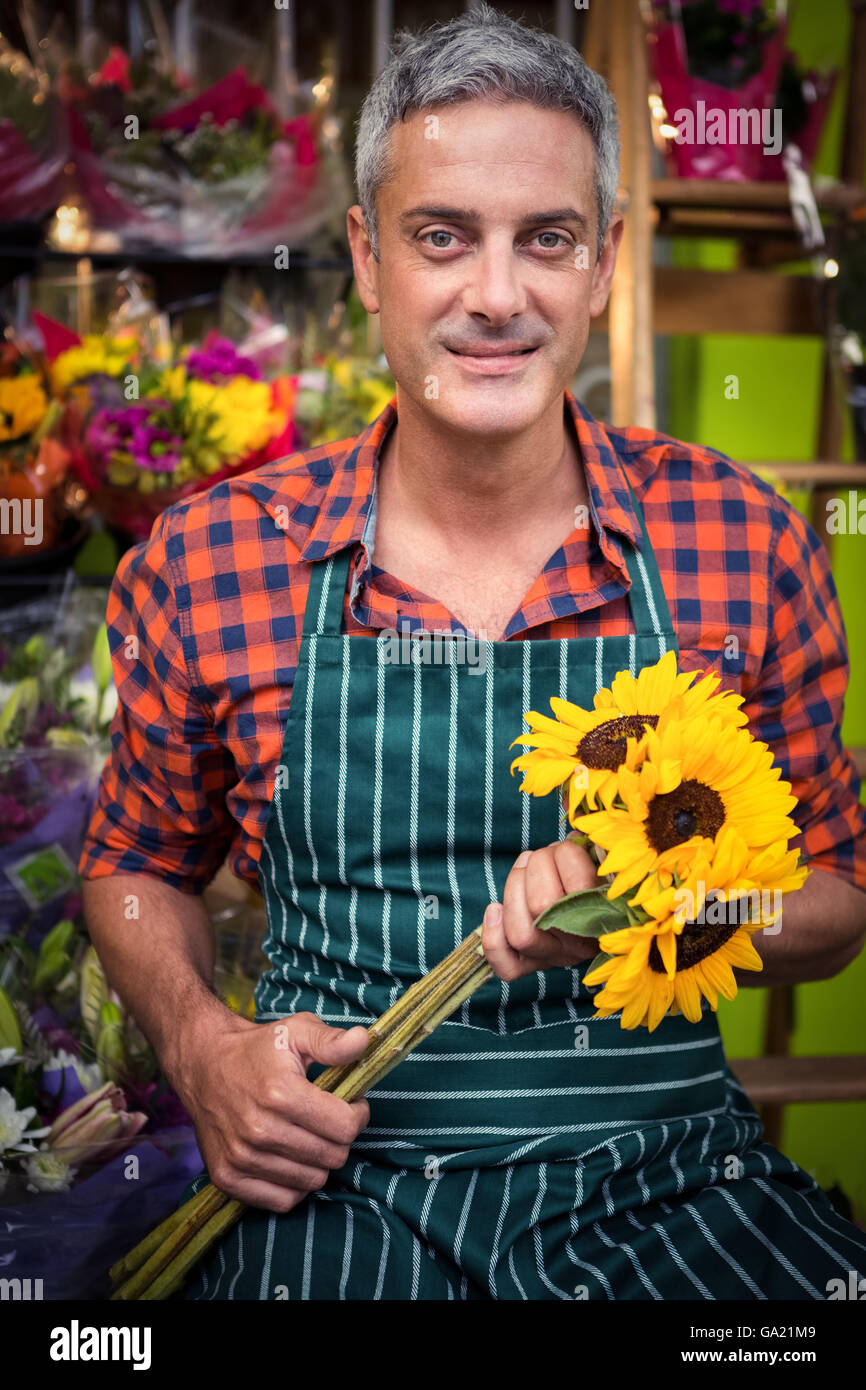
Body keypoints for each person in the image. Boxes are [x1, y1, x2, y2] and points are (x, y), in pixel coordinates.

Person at [80, 5, 866, 1300]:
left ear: (605, 259)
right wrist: (204, 1045)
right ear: (368, 259)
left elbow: (833, 896)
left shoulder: (740, 538)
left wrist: (673, 901)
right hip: (331, 1192)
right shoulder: (214, 558)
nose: (496, 297)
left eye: (544, 239)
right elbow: (126, 869)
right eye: (442, 236)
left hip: (668, 1190)